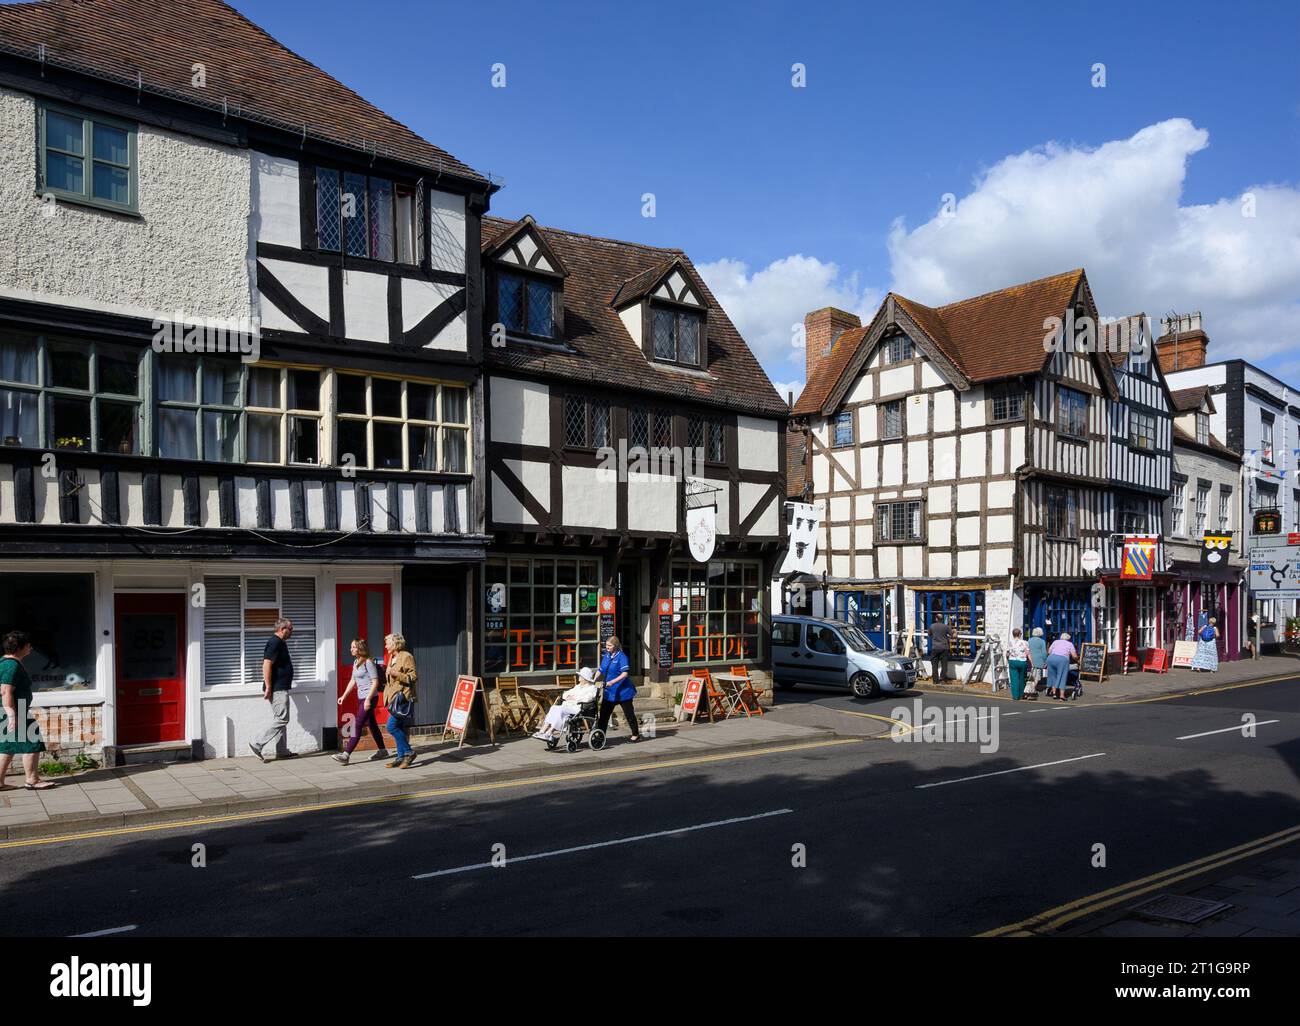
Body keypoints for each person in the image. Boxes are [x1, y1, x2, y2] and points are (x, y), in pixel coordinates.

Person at [0, 631, 54, 791]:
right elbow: (5, 691)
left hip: (9, 710)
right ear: (20, 647)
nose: (30, 647)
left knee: (7, 745)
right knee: (33, 743)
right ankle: (32, 780)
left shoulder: (4, 662)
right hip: (16, 711)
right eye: (28, 645)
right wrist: (12, 716)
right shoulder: (11, 666)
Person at [333, 638, 388, 765]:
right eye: (351, 647)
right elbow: (353, 681)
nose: (351, 649)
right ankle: (382, 750)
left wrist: (368, 699)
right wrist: (344, 696)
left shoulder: (368, 662)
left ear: (360, 648)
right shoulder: (356, 662)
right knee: (372, 724)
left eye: (353, 647)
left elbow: (375, 682)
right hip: (361, 697)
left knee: (357, 724)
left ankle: (346, 755)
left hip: (370, 697)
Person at [250, 619, 294, 763]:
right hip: (277, 688)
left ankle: (282, 751)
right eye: (290, 628)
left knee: (280, 719)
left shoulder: (280, 642)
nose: (292, 631)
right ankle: (257, 744)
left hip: (280, 687)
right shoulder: (274, 642)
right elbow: (267, 664)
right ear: (282, 629)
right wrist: (268, 686)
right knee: (282, 719)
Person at [533, 667, 600, 742]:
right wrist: (568, 696)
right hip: (569, 706)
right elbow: (566, 693)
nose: (579, 678)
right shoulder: (578, 687)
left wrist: (575, 698)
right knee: (554, 708)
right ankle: (542, 731)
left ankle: (550, 732)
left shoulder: (592, 688)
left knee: (560, 709)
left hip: (579, 708)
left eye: (581, 676)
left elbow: (588, 698)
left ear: (585, 678)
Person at [382, 633, 418, 769]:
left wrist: (395, 673)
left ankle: (409, 752)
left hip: (403, 697)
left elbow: (413, 677)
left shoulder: (406, 656)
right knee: (399, 727)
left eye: (387, 643)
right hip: (392, 698)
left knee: (391, 727)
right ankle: (400, 757)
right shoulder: (392, 657)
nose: (385, 646)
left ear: (395, 643)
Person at [594, 636, 639, 742]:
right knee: (604, 716)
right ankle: (600, 737)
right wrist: (593, 680)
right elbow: (600, 670)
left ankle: (635, 734)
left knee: (629, 714)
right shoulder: (607, 656)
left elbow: (625, 674)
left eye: (609, 645)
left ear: (616, 646)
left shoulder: (622, 657)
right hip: (609, 692)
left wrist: (612, 682)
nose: (607, 647)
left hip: (623, 692)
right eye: (606, 645)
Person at [1045, 632, 1078, 700]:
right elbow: (1074, 656)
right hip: (1062, 660)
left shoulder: (1055, 642)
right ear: (1068, 639)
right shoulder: (1070, 644)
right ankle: (1062, 696)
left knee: (1052, 676)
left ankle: (1054, 693)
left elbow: (1049, 652)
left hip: (1051, 658)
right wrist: (1077, 659)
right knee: (1062, 676)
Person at [1007, 628, 1030, 701]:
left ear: (1013, 634)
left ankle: (1015, 696)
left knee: (1014, 679)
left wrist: (1008, 660)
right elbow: (1028, 653)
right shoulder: (1025, 642)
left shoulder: (1010, 642)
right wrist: (1032, 663)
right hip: (1022, 661)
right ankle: (1021, 694)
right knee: (1022, 678)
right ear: (1020, 634)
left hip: (1013, 661)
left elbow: (1007, 653)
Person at [929, 616, 952, 682]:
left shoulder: (932, 626)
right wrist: (954, 631)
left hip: (935, 647)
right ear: (942, 619)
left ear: (936, 619)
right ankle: (943, 678)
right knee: (944, 664)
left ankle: (935, 680)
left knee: (934, 664)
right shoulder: (946, 627)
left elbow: (929, 634)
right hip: (944, 647)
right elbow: (952, 635)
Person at [1027, 627, 1047, 701]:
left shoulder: (1029, 640)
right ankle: (1032, 690)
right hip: (1039, 660)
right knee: (1037, 677)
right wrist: (1045, 661)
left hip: (1030, 660)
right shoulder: (1042, 641)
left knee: (1031, 676)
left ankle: (1031, 689)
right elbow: (1044, 653)